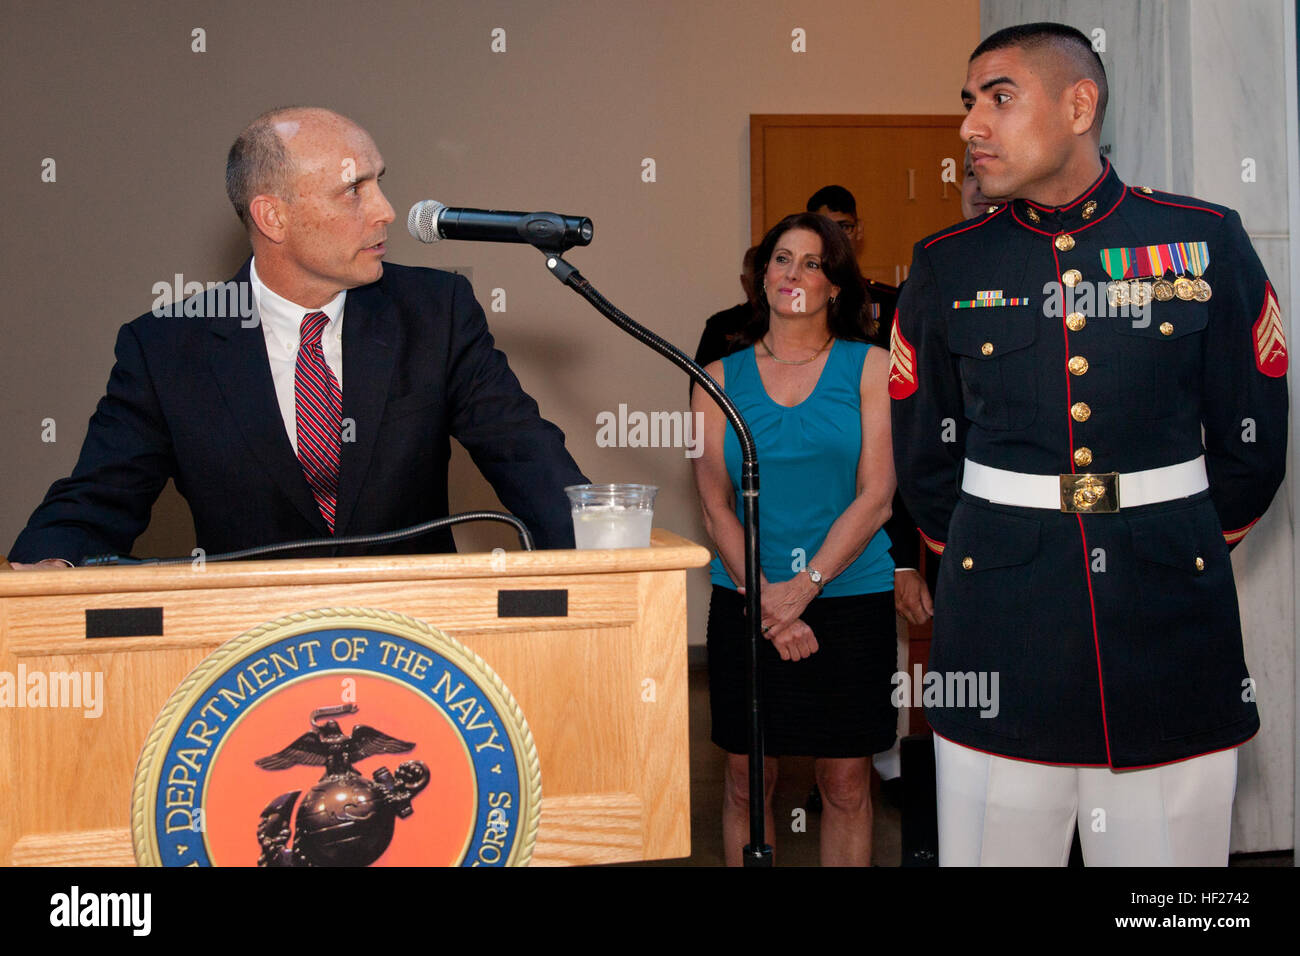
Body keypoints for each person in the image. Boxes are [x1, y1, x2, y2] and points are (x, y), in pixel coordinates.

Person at [890, 23, 1288, 865]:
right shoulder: (945, 265)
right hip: (1001, 629)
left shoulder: (1204, 239)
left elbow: (1253, 436)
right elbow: (925, 454)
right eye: (967, 105)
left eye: (998, 98)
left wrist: (1176, 539)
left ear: (1080, 104)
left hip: (1167, 621)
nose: (970, 126)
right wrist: (975, 550)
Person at [8, 107, 587, 568]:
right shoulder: (166, 349)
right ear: (273, 217)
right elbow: (92, 504)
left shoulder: (436, 312)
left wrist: (603, 542)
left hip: (416, 651)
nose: (385, 211)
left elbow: (527, 455)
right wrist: (52, 561)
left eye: (379, 183)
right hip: (246, 666)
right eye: (353, 190)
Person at [691, 212, 897, 866]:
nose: (795, 274)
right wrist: (772, 608)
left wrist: (803, 590)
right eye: (783, 258)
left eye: (813, 262)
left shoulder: (872, 368)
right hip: (748, 599)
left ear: (836, 285)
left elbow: (877, 496)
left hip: (848, 598)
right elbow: (714, 506)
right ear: (762, 275)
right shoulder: (716, 380)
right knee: (751, 781)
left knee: (844, 783)